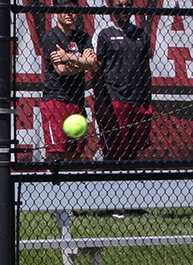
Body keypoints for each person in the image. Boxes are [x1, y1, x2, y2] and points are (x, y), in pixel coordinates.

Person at [93, 0, 153, 160]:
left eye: (128, 6)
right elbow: (97, 71)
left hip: (139, 100)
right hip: (115, 101)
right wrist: (101, 103)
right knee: (115, 152)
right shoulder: (105, 35)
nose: (124, 10)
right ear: (112, 8)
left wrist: (148, 99)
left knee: (133, 152)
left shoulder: (143, 35)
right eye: (120, 6)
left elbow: (146, 69)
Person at [40, 0, 99, 162]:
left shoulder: (82, 37)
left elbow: (94, 64)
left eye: (72, 10)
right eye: (64, 10)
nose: (68, 14)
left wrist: (69, 58)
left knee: (74, 154)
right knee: (56, 154)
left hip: (77, 100)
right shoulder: (51, 36)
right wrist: (82, 63)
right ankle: (51, 184)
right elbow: (61, 70)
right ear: (56, 12)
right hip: (56, 99)